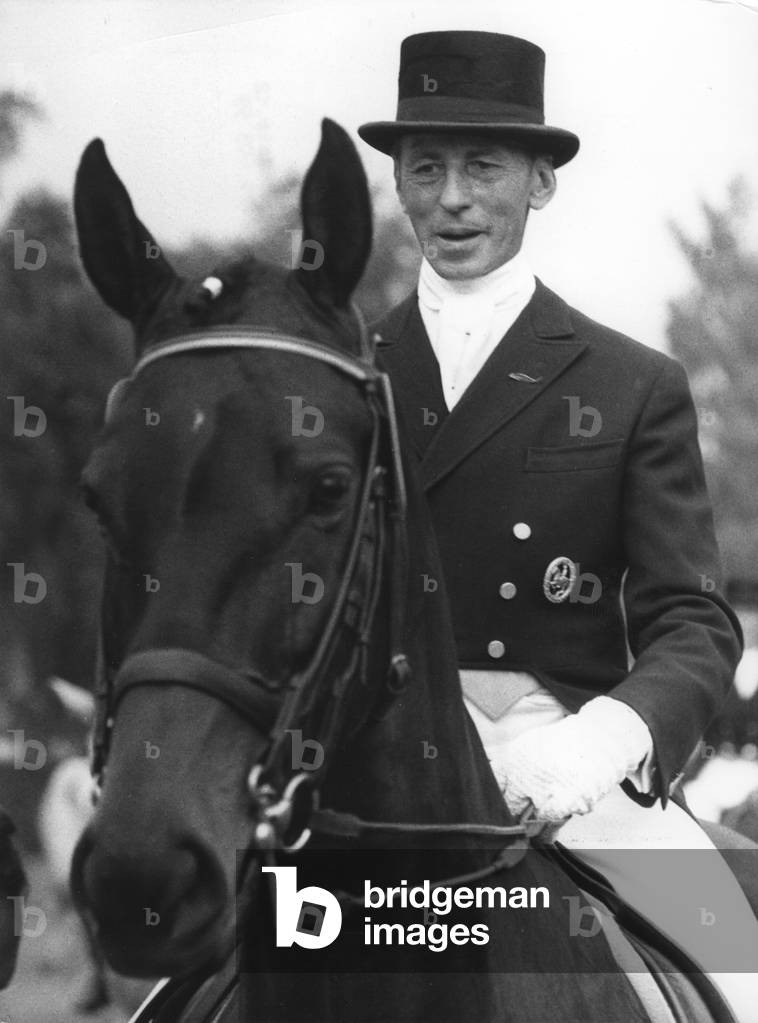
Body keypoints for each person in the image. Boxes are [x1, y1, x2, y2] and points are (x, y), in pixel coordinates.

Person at [358, 29, 758, 1020]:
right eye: (426, 168)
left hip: (573, 769)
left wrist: (596, 746)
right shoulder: (343, 379)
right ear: (399, 184)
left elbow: (694, 622)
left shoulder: (630, 383)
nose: (452, 199)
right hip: (376, 772)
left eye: (484, 167)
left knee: (744, 976)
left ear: (539, 182)